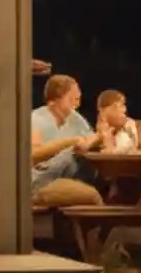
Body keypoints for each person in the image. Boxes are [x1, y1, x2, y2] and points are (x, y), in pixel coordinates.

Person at [30, 75, 104, 205]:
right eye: (72, 99)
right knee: (92, 196)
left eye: (78, 99)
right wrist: (70, 142)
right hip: (40, 184)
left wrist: (89, 142)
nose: (77, 104)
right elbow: (34, 154)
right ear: (55, 99)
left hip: (65, 177)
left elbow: (93, 136)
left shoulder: (74, 118)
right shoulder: (37, 119)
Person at [94, 89, 141, 154]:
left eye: (123, 105)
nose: (124, 110)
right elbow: (108, 152)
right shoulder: (103, 131)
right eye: (120, 105)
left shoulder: (128, 125)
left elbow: (138, 128)